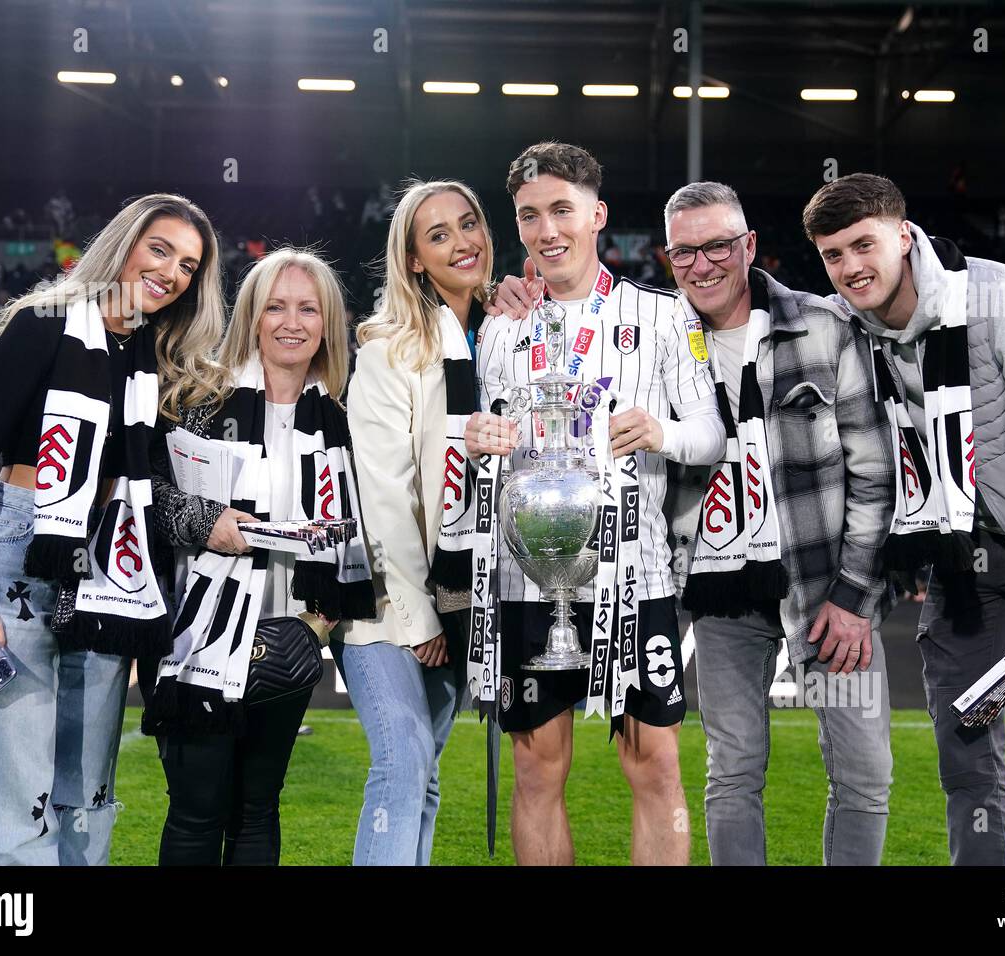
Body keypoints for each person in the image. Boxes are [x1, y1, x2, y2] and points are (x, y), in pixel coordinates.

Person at [805, 173, 1005, 866]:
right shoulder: (842, 324)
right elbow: (750, 313)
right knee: (965, 754)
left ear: (903, 232)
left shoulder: (998, 301)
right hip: (962, 559)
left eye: (864, 245)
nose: (852, 267)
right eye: (833, 255)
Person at [0, 193, 228, 865]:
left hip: (108, 569)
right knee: (15, 792)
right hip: (17, 551)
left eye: (188, 265)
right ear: (124, 244)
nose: (172, 273)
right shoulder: (44, 324)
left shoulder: (154, 356)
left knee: (86, 795)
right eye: (160, 249)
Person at [473, 142, 723, 865]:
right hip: (526, 577)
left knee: (655, 767)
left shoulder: (666, 316)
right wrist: (475, 433)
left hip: (633, 576)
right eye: (528, 216)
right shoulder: (502, 325)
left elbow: (710, 436)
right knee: (537, 768)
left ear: (596, 215)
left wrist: (662, 431)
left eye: (561, 210)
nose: (546, 230)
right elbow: (472, 435)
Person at [662, 182, 894, 865]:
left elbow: (875, 474)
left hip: (826, 595)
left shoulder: (824, 327)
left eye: (717, 247)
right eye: (685, 253)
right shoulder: (657, 342)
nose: (702, 265)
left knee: (863, 773)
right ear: (668, 257)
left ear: (749, 246)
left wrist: (854, 596)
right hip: (718, 597)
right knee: (732, 773)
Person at [142, 247, 374, 865]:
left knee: (256, 810)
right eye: (276, 307)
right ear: (252, 314)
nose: (291, 322)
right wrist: (205, 521)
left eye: (308, 308)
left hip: (290, 643)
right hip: (196, 639)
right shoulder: (197, 395)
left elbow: (363, 527)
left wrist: (317, 625)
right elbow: (144, 497)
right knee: (195, 812)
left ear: (328, 322)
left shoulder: (348, 415)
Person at [339, 180, 493, 864]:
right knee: (402, 770)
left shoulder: (501, 340)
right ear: (412, 261)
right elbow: (384, 496)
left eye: (469, 224)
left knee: (423, 781)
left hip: (464, 602)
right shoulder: (389, 351)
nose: (462, 242)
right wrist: (422, 615)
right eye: (439, 234)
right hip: (389, 608)